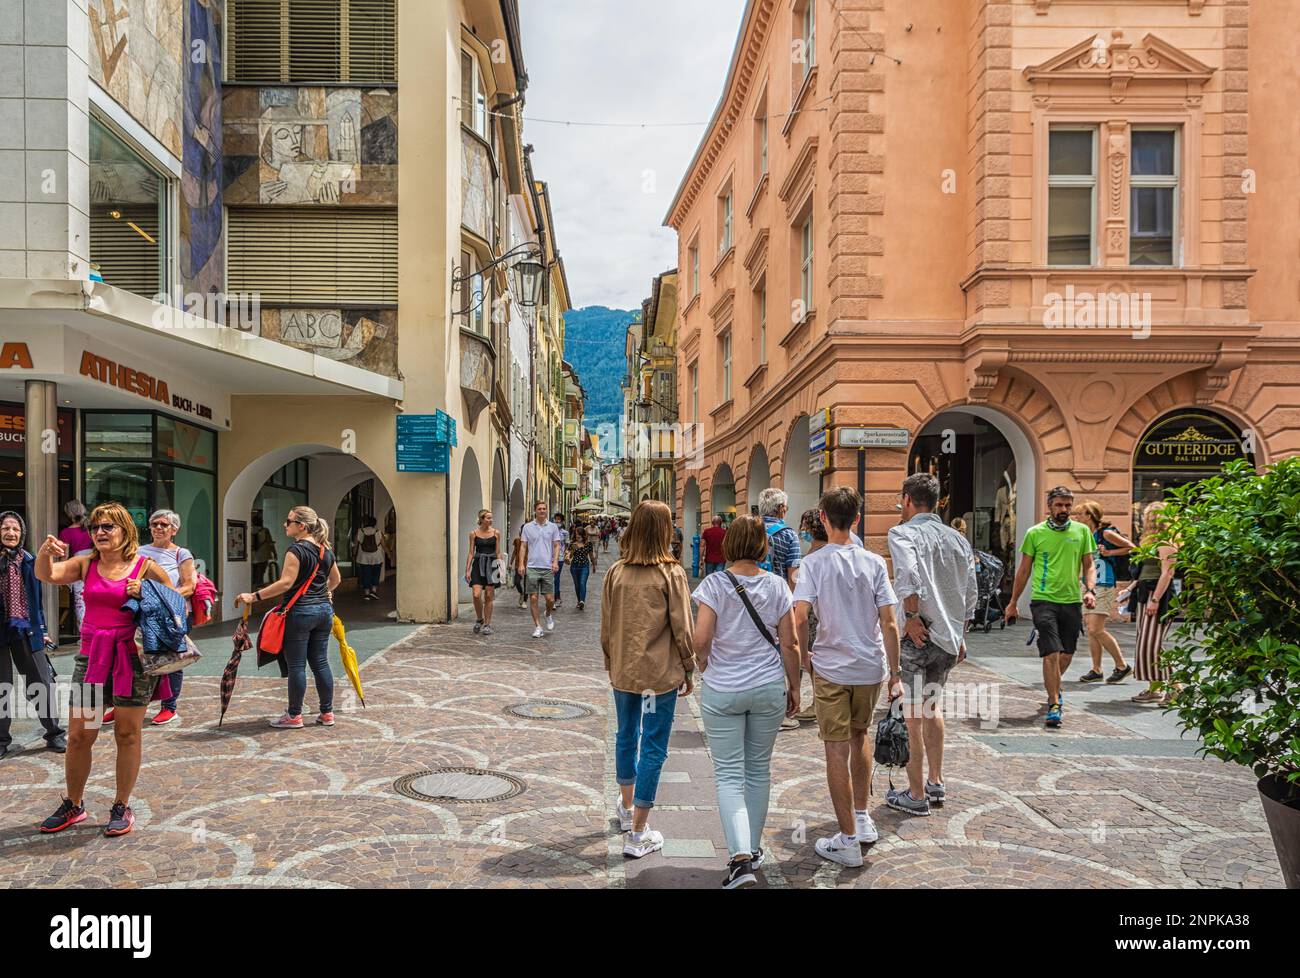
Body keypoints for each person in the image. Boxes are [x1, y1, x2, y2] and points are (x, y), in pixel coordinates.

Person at [34, 502, 179, 836]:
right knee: (80, 735)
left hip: (131, 660)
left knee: (126, 734)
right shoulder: (86, 563)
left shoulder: (145, 566)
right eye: (96, 527)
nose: (99, 532)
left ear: (125, 530)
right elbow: (49, 575)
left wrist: (147, 592)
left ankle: (121, 806)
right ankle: (73, 803)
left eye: (107, 526)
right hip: (92, 660)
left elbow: (176, 605)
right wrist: (44, 553)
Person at [792, 487, 901, 867]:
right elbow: (889, 621)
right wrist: (896, 672)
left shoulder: (814, 564)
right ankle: (863, 817)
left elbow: (801, 615)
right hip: (870, 666)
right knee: (860, 736)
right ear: (857, 519)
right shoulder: (874, 563)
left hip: (831, 667)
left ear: (822, 517)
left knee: (835, 747)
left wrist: (804, 657)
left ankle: (848, 839)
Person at [692, 516, 801, 888]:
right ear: (763, 546)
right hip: (768, 686)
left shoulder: (714, 585)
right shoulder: (776, 586)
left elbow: (701, 638)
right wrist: (795, 686)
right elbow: (790, 643)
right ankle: (752, 851)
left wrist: (703, 663)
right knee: (758, 771)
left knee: (728, 774)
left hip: (724, 689)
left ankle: (740, 861)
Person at [600, 500, 695, 859]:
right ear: (664, 531)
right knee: (653, 745)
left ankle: (627, 810)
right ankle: (639, 832)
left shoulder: (616, 573)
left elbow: (606, 628)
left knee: (626, 735)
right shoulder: (670, 574)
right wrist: (689, 667)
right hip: (658, 676)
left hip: (624, 671)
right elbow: (683, 627)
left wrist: (612, 662)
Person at [885, 474, 978, 816]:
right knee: (932, 706)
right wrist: (962, 633)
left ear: (907, 499)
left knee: (912, 715)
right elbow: (971, 590)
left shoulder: (902, 532)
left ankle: (915, 793)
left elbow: (907, 575)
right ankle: (936, 781)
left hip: (917, 634)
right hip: (947, 637)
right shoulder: (957, 538)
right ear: (938, 501)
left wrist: (910, 617)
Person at [235, 506, 341, 729]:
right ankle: (327, 712)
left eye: (289, 521)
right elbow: (336, 579)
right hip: (323, 612)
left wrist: (254, 596)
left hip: (301, 612)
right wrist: (325, 593)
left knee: (297, 666)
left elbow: (286, 583)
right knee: (321, 662)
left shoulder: (296, 550)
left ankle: (294, 715)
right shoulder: (325, 550)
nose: (285, 525)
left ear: (301, 526)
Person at [1007, 487, 1097, 729]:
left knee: (1067, 653)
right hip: (1043, 600)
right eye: (1059, 505)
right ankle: (1054, 703)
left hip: (1072, 600)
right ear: (1050, 506)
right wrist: (1013, 602)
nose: (1064, 510)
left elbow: (1089, 565)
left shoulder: (1082, 532)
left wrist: (1090, 589)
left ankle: (1054, 687)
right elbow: (1024, 570)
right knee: (1051, 653)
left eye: (1068, 505)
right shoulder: (1035, 533)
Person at [0, 512, 66, 757]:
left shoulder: (29, 561)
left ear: (22, 533)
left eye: (15, 529)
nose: (11, 533)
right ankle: (1, 741)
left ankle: (54, 733)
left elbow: (36, 602)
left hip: (27, 628)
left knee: (41, 683)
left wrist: (44, 630)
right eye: (5, 528)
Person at [136, 510, 197, 726]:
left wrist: (162, 598)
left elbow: (189, 585)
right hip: (145, 614)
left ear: (174, 530)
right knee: (138, 660)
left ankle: (169, 707)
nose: (158, 528)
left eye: (164, 524)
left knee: (173, 659)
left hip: (173, 615)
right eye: (154, 524)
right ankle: (126, 704)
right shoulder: (139, 551)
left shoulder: (181, 554)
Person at [1124, 502, 1179, 705]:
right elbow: (1143, 573)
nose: (1149, 520)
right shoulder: (1150, 542)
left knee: (1152, 645)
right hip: (1145, 594)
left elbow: (1168, 573)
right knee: (1147, 643)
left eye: (1151, 516)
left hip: (1158, 597)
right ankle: (1154, 688)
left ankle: (1176, 687)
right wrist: (1129, 589)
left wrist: (1155, 599)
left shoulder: (1166, 542)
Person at [1073, 500, 1133, 684]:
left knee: (1095, 628)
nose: (1075, 518)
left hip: (1104, 584)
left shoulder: (1106, 534)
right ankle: (1096, 669)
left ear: (1089, 516)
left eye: (1079, 514)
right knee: (1091, 630)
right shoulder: (1084, 535)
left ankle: (1122, 666)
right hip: (1088, 585)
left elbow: (1132, 547)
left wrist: (1109, 554)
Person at [519, 502, 562, 639]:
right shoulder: (527, 527)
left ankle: (548, 614)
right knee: (533, 597)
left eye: (544, 509)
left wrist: (555, 562)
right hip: (532, 567)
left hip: (547, 567)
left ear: (547, 510)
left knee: (550, 599)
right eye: (539, 509)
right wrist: (521, 564)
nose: (542, 511)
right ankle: (538, 626)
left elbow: (556, 545)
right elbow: (523, 546)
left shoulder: (553, 527)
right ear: (535, 511)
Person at [465, 509, 502, 635]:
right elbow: (471, 552)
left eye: (491, 518)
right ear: (481, 519)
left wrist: (501, 570)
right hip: (478, 564)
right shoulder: (473, 533)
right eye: (488, 518)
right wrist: (467, 570)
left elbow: (498, 552)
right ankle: (479, 618)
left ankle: (487, 624)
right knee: (476, 594)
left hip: (492, 565)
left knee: (488, 596)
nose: (491, 520)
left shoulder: (496, 533)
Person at [758, 489, 802, 589]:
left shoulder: (749, 530)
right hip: (779, 593)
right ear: (781, 508)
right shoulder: (788, 534)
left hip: (750, 594)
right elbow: (793, 574)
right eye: (786, 507)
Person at [59, 500, 92, 631]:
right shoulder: (92, 528)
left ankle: (84, 635)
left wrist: (61, 574)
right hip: (96, 565)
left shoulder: (66, 533)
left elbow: (64, 556)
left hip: (78, 569)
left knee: (81, 603)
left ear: (68, 514)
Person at [354, 515, 385, 602]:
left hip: (363, 557)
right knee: (376, 573)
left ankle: (367, 593)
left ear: (364, 523)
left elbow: (355, 544)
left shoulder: (360, 531)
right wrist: (389, 554)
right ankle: (374, 591)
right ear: (374, 523)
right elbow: (383, 544)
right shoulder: (378, 532)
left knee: (365, 574)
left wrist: (353, 553)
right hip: (377, 557)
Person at [568, 526, 597, 611]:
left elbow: (591, 555)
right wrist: (572, 550)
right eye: (576, 534)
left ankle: (582, 601)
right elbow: (569, 556)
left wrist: (594, 565)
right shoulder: (572, 543)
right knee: (577, 585)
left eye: (579, 534)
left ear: (583, 535)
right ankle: (579, 601)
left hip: (584, 566)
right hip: (574, 567)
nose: (578, 536)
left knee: (582, 583)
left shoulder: (588, 544)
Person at [251, 517, 277, 588]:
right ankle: (259, 585)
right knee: (261, 572)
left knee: (253, 572)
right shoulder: (265, 530)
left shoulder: (250, 530)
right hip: (263, 555)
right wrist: (274, 553)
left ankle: (253, 586)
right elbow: (270, 543)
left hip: (252, 555)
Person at [552, 513, 569, 609]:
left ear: (562, 521)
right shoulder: (549, 531)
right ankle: (556, 597)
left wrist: (566, 554)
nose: (557, 521)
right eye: (556, 519)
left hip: (560, 558)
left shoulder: (565, 533)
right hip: (549, 558)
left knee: (556, 578)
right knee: (552, 579)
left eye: (559, 519)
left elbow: (566, 545)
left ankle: (555, 599)